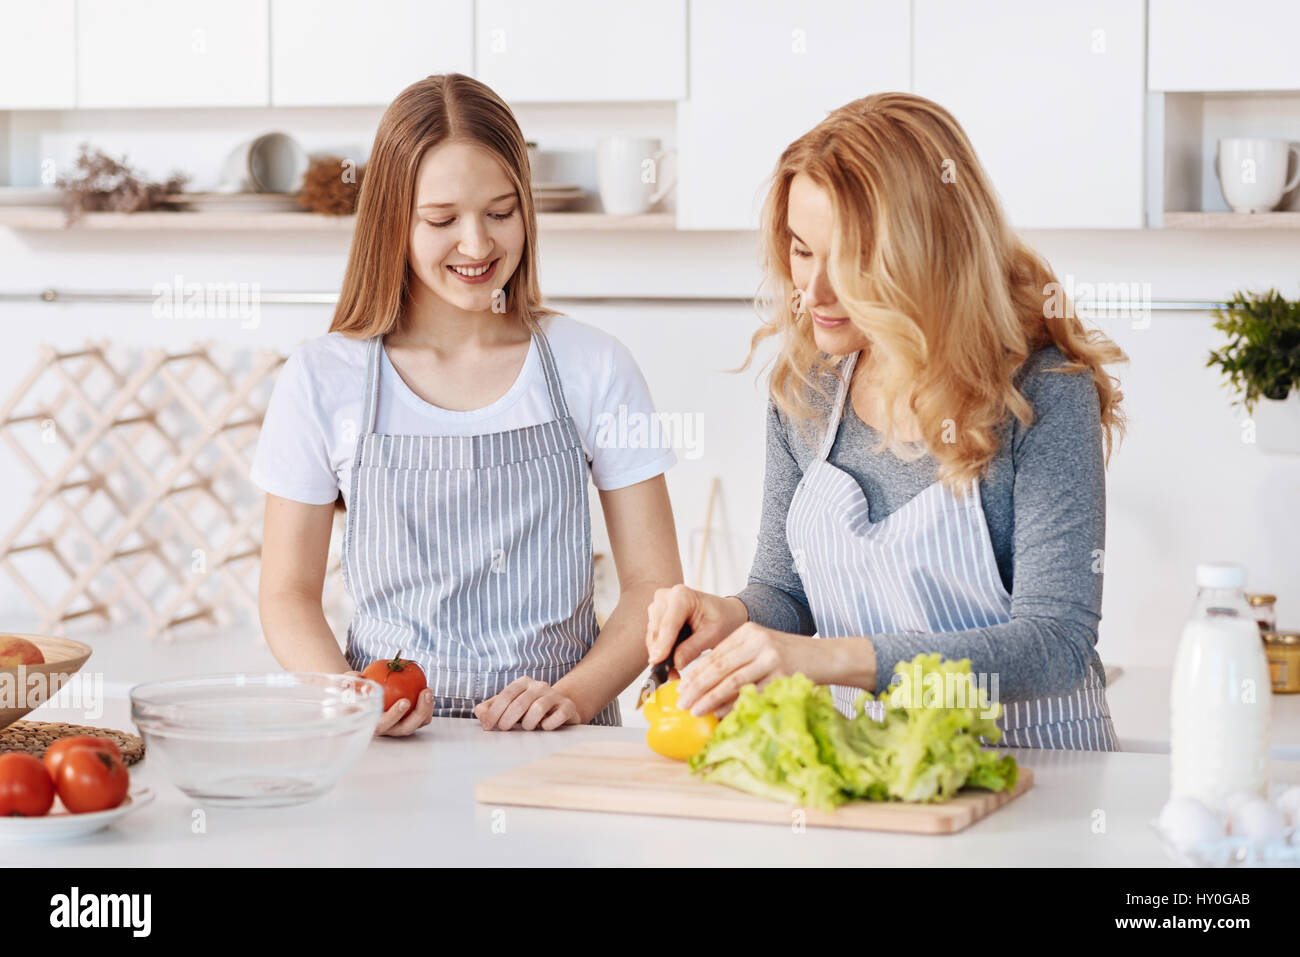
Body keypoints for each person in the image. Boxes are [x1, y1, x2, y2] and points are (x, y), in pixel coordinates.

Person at [645, 92, 1127, 750]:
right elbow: (785, 590)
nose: (810, 291)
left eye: (849, 261)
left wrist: (826, 660)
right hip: (883, 777)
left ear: (927, 253)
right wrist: (728, 615)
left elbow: (1055, 646)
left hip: (1037, 777)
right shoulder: (806, 391)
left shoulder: (1040, 394)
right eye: (800, 251)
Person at [254, 74, 682, 735]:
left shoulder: (592, 365)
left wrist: (571, 696)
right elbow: (286, 593)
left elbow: (654, 584)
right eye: (442, 219)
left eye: (501, 212)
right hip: (384, 749)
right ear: (393, 220)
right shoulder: (323, 376)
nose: (477, 245)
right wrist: (348, 698)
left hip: (558, 746)